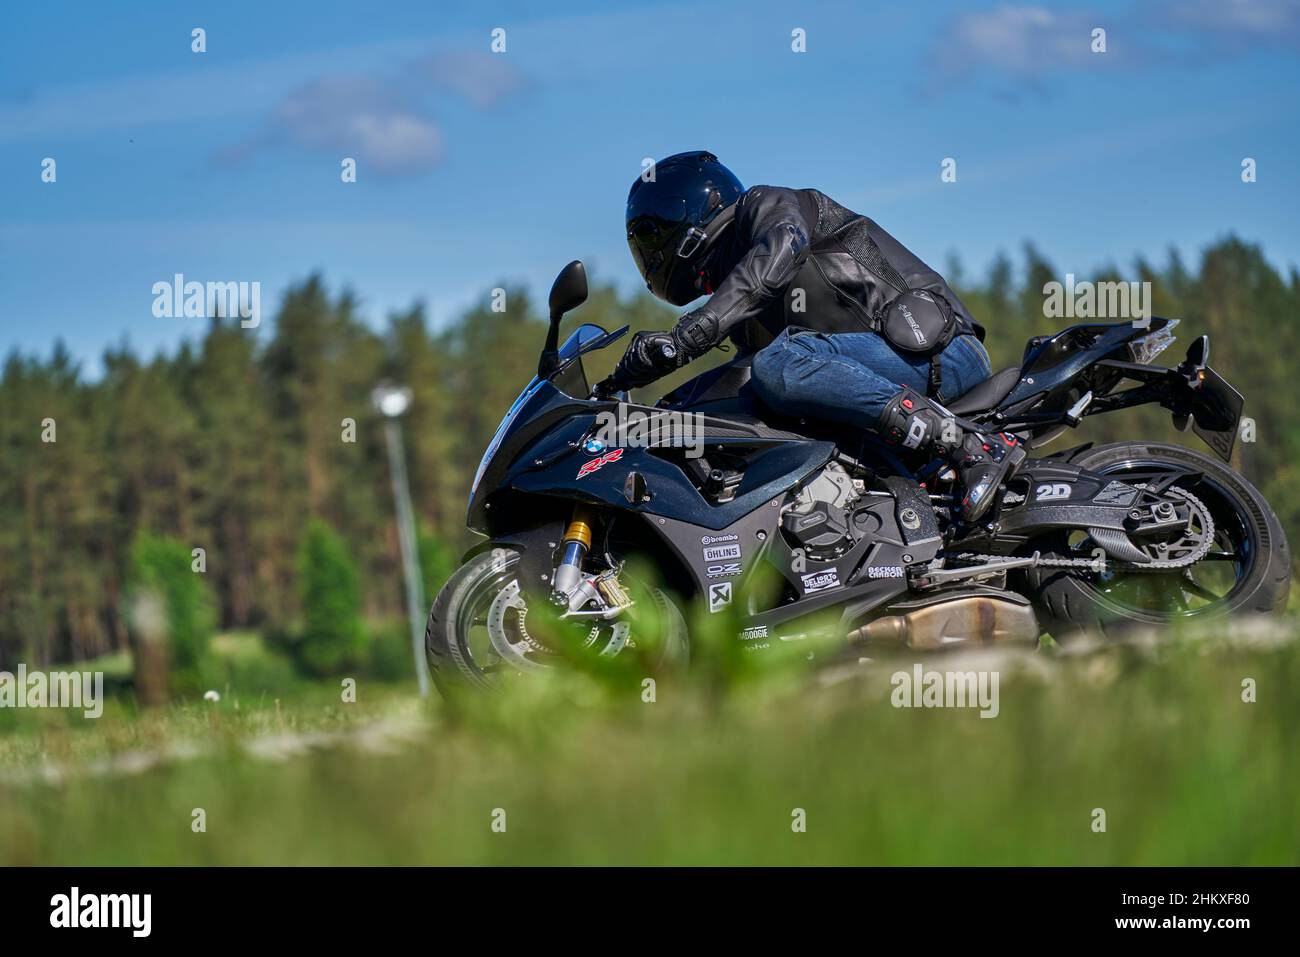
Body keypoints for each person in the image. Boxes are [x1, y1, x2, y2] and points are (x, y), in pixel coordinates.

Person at [614, 150, 1023, 522]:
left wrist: (689, 335)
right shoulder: (743, 306)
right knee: (742, 402)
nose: (647, 250)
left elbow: (783, 247)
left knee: (777, 364)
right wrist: (660, 408)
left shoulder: (765, 206)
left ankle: (966, 446)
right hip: (892, 374)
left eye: (651, 233)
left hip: (940, 353)